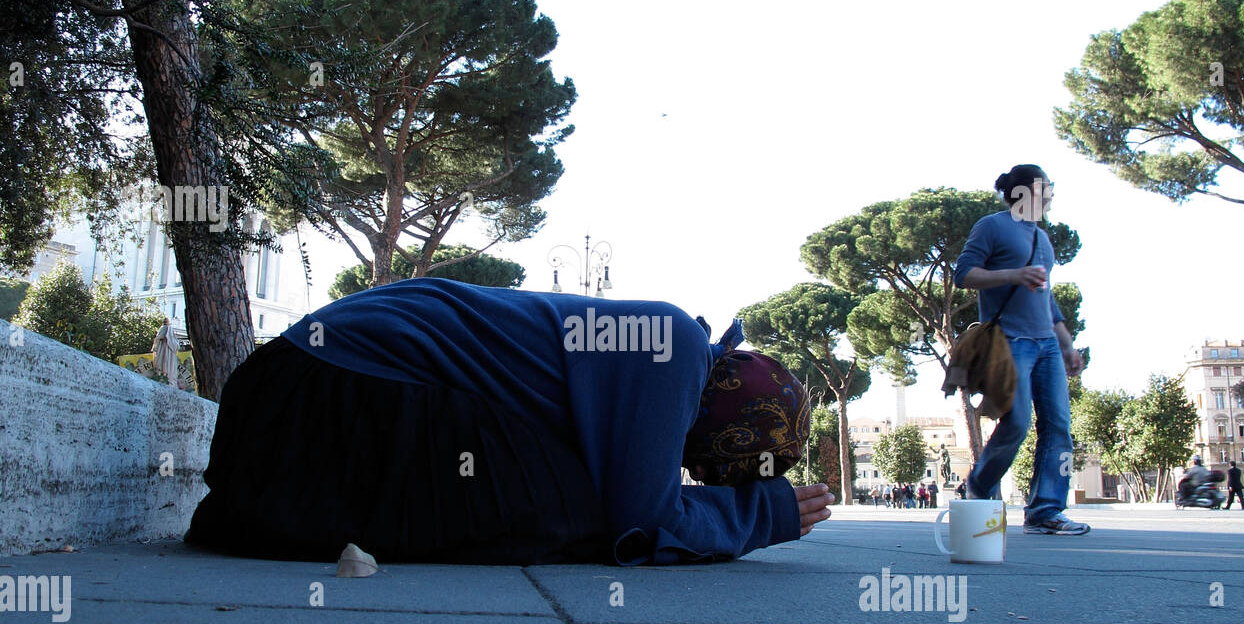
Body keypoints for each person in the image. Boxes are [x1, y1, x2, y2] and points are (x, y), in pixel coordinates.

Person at [185, 278, 831, 567]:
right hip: (320, 389)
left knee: (559, 486)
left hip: (282, 392)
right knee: (573, 510)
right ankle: (263, 511)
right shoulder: (677, 350)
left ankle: (260, 509)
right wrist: (757, 515)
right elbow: (641, 519)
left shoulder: (671, 342)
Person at [955, 164, 1090, 535]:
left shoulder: (1043, 239)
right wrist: (1013, 274)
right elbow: (964, 273)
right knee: (1015, 423)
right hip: (1009, 343)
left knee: (1059, 426)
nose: (1051, 195)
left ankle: (1046, 510)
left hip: (1046, 345)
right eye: (1045, 188)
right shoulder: (992, 226)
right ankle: (980, 488)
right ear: (1023, 193)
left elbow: (1048, 301)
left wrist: (1067, 346)